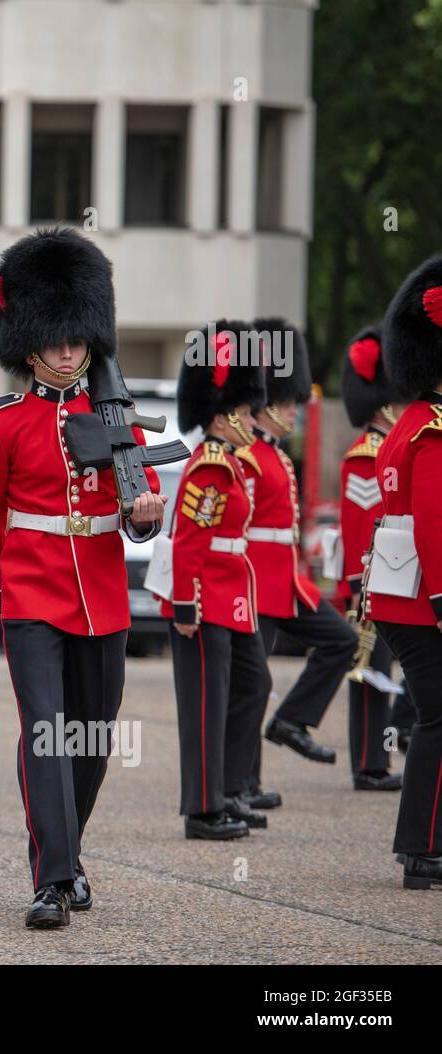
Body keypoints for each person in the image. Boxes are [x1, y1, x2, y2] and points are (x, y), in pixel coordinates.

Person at [0, 227, 165, 929]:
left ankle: (65, 849)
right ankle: (52, 880)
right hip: (30, 593)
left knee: (91, 735)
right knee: (45, 730)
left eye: (77, 339)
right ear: (29, 343)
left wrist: (144, 514)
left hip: (103, 594)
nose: (68, 351)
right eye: (55, 340)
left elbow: (137, 515)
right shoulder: (0, 426)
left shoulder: (119, 423)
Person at [240, 319, 358, 797]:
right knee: (251, 683)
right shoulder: (247, 456)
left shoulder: (277, 456)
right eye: (286, 403)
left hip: (286, 582)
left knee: (341, 642)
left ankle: (290, 720)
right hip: (255, 583)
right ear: (265, 405)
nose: (294, 412)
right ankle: (243, 784)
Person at [162, 321, 270, 842]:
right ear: (225, 417)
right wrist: (186, 605)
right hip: (204, 602)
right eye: (248, 412)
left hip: (232, 598)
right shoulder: (210, 467)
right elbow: (189, 541)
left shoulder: (231, 462)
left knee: (252, 686)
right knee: (206, 703)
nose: (254, 420)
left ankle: (228, 789)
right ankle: (203, 808)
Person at [365, 254, 442, 891]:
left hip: (403, 595)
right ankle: (424, 849)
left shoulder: (408, 424)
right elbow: (434, 529)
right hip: (425, 598)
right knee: (438, 718)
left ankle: (422, 843)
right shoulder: (434, 431)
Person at [338, 323, 414, 783]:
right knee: (370, 665)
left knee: (385, 664)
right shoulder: (368, 452)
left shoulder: (391, 445)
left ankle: (384, 751)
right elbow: (359, 524)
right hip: (374, 573)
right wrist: (356, 585)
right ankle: (370, 764)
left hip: (396, 569)